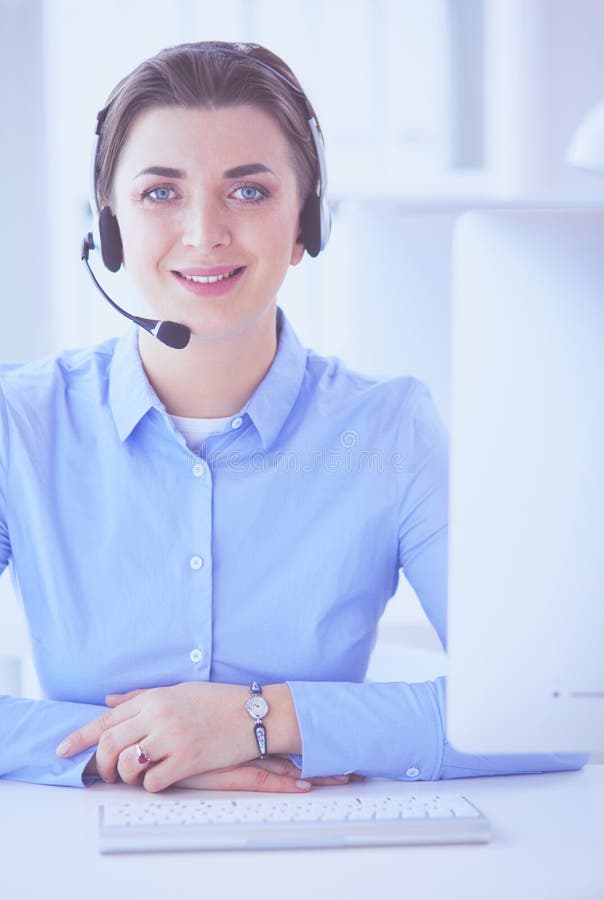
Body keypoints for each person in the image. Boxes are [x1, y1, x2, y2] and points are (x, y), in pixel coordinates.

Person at [0, 41, 588, 792]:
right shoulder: (23, 424)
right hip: (84, 841)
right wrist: (140, 752)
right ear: (110, 226)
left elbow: (545, 716)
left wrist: (264, 719)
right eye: (160, 192)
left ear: (308, 222)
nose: (204, 232)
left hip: (322, 837)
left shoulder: (391, 429)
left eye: (248, 191)